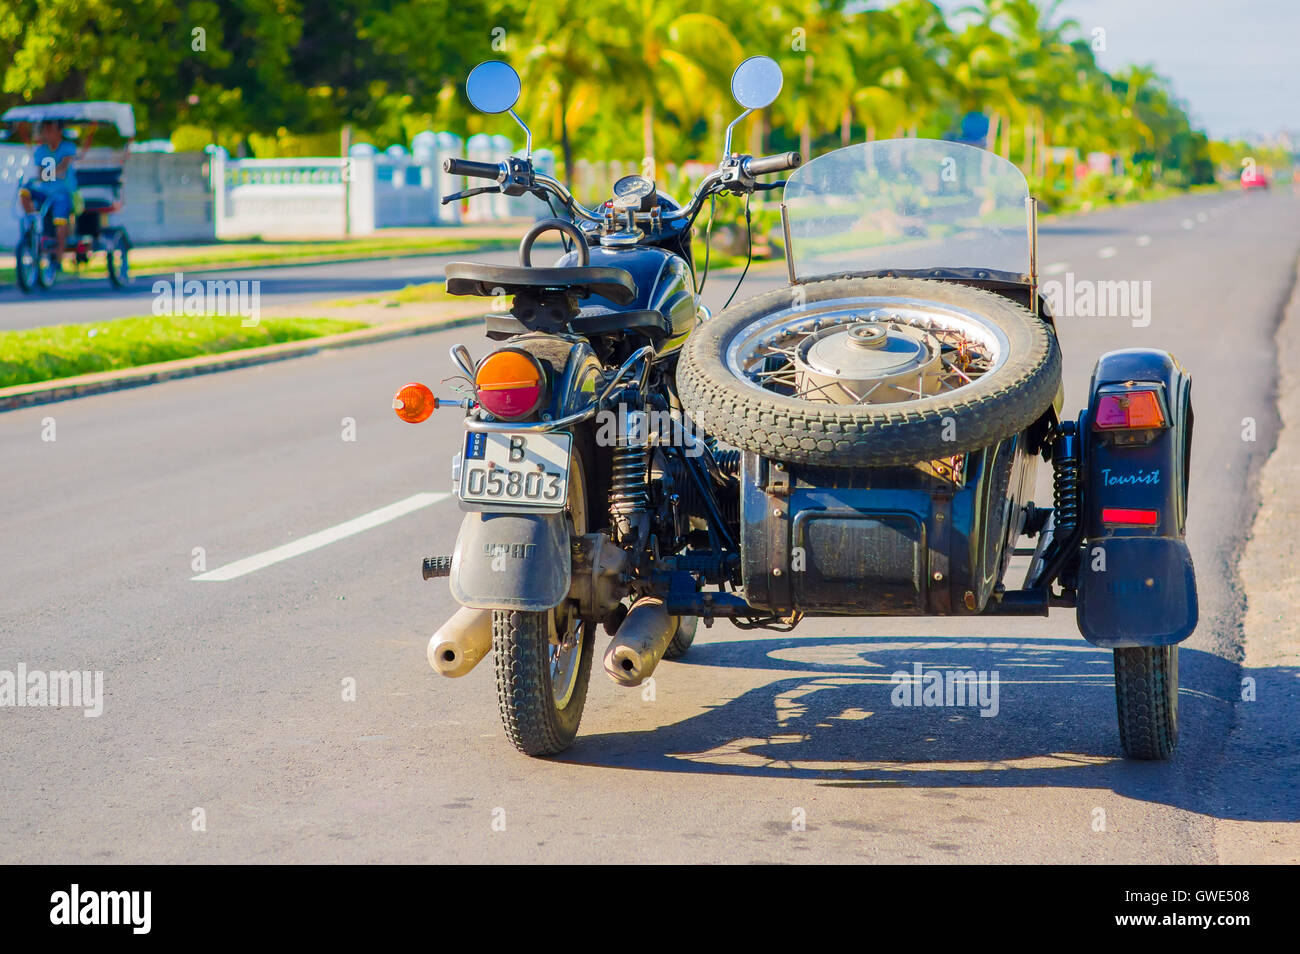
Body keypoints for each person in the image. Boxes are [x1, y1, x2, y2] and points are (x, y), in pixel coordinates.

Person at [18, 119, 92, 271]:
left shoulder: (68, 147)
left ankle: (58, 257)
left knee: (59, 219)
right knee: (24, 190)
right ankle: (32, 222)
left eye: (50, 130)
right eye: (45, 130)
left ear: (58, 132)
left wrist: (47, 174)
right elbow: (40, 172)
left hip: (63, 193)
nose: (46, 134)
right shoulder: (41, 151)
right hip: (45, 193)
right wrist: (44, 176)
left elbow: (63, 168)